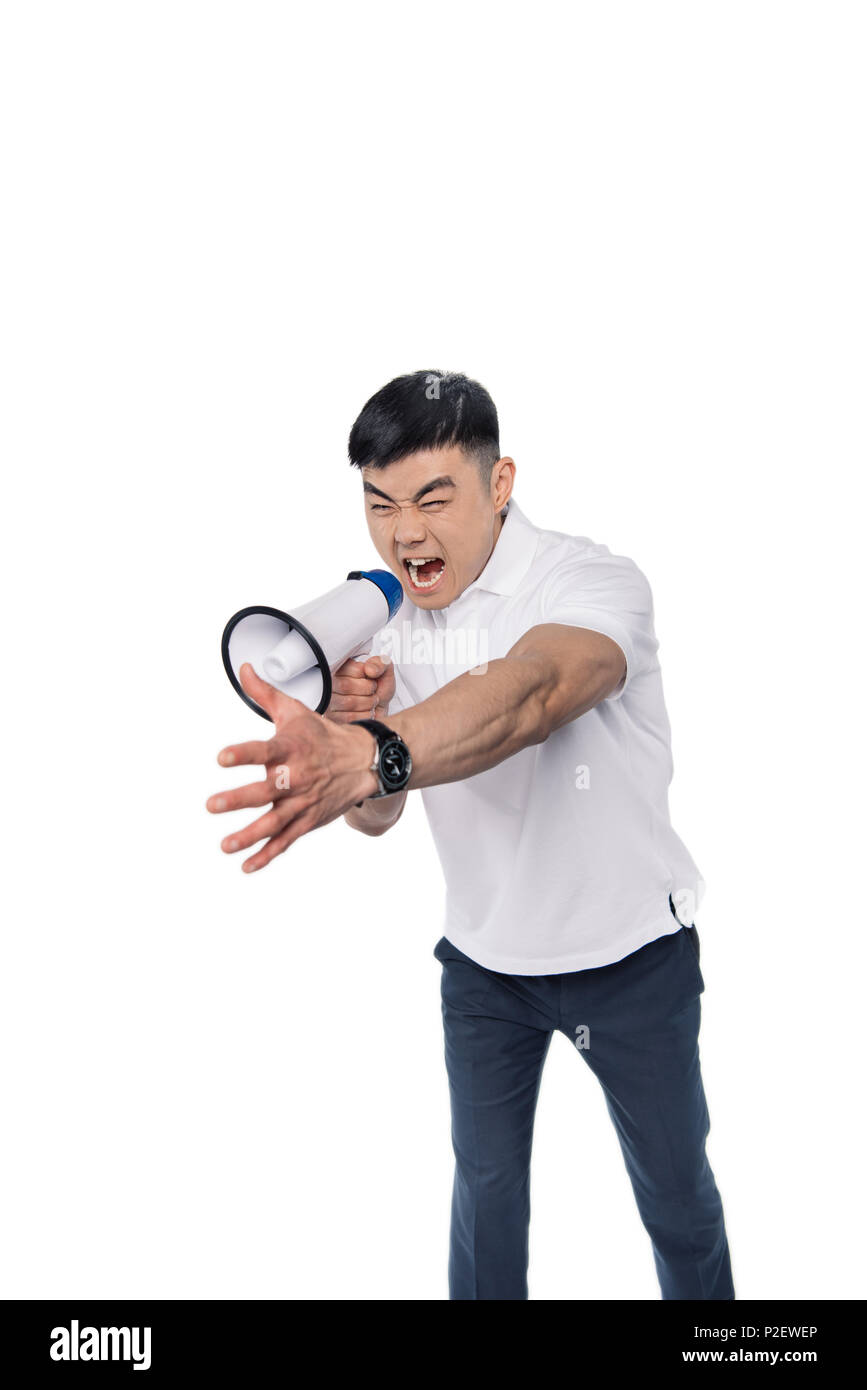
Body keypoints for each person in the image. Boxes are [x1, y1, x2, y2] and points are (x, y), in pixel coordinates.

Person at [207, 370, 734, 1301]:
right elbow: (380, 815)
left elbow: (530, 696)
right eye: (377, 503)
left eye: (430, 499)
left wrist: (373, 748)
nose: (403, 532)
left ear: (500, 485)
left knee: (675, 1199)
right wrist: (357, 748)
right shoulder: (393, 615)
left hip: (630, 956)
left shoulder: (593, 580)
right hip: (486, 964)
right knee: (485, 1203)